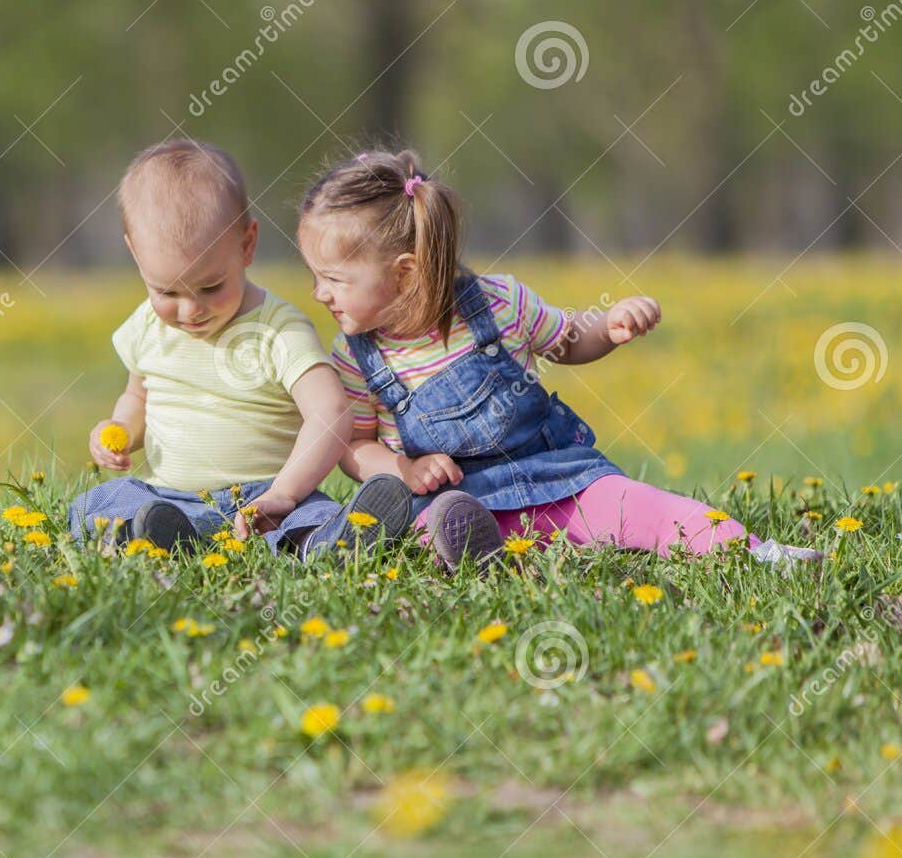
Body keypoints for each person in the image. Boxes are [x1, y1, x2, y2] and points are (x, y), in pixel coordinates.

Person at [295, 147, 820, 568]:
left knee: (644, 507)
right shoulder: (357, 357)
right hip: (456, 499)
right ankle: (477, 553)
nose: (320, 294)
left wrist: (609, 328)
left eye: (333, 279)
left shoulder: (495, 303)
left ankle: (755, 552)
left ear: (406, 273)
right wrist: (404, 468)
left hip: (557, 479)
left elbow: (566, 340)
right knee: (434, 526)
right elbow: (355, 446)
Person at [69, 139, 411, 560]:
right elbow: (138, 396)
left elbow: (331, 413)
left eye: (211, 286)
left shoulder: (278, 328)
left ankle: (330, 543)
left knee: (309, 514)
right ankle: (159, 536)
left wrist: (286, 492)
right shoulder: (146, 325)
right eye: (167, 290)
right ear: (135, 255)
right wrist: (118, 430)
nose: (190, 309)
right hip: (170, 499)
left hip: (265, 498)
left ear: (247, 245)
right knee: (99, 502)